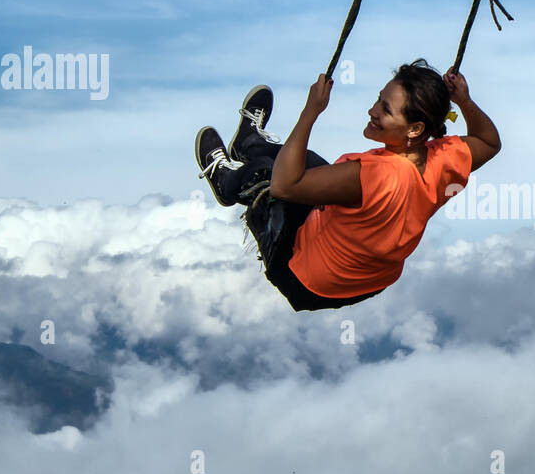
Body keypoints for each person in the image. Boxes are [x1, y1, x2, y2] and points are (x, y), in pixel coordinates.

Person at [195, 59, 500, 311]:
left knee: (268, 174)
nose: (372, 110)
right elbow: (488, 142)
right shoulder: (444, 158)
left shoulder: (375, 174)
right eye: (379, 100)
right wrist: (465, 101)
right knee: (309, 160)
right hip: (366, 279)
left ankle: (228, 182)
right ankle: (249, 143)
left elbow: (285, 187)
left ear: (416, 128)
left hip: (305, 279)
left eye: (385, 109)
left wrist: (310, 112)